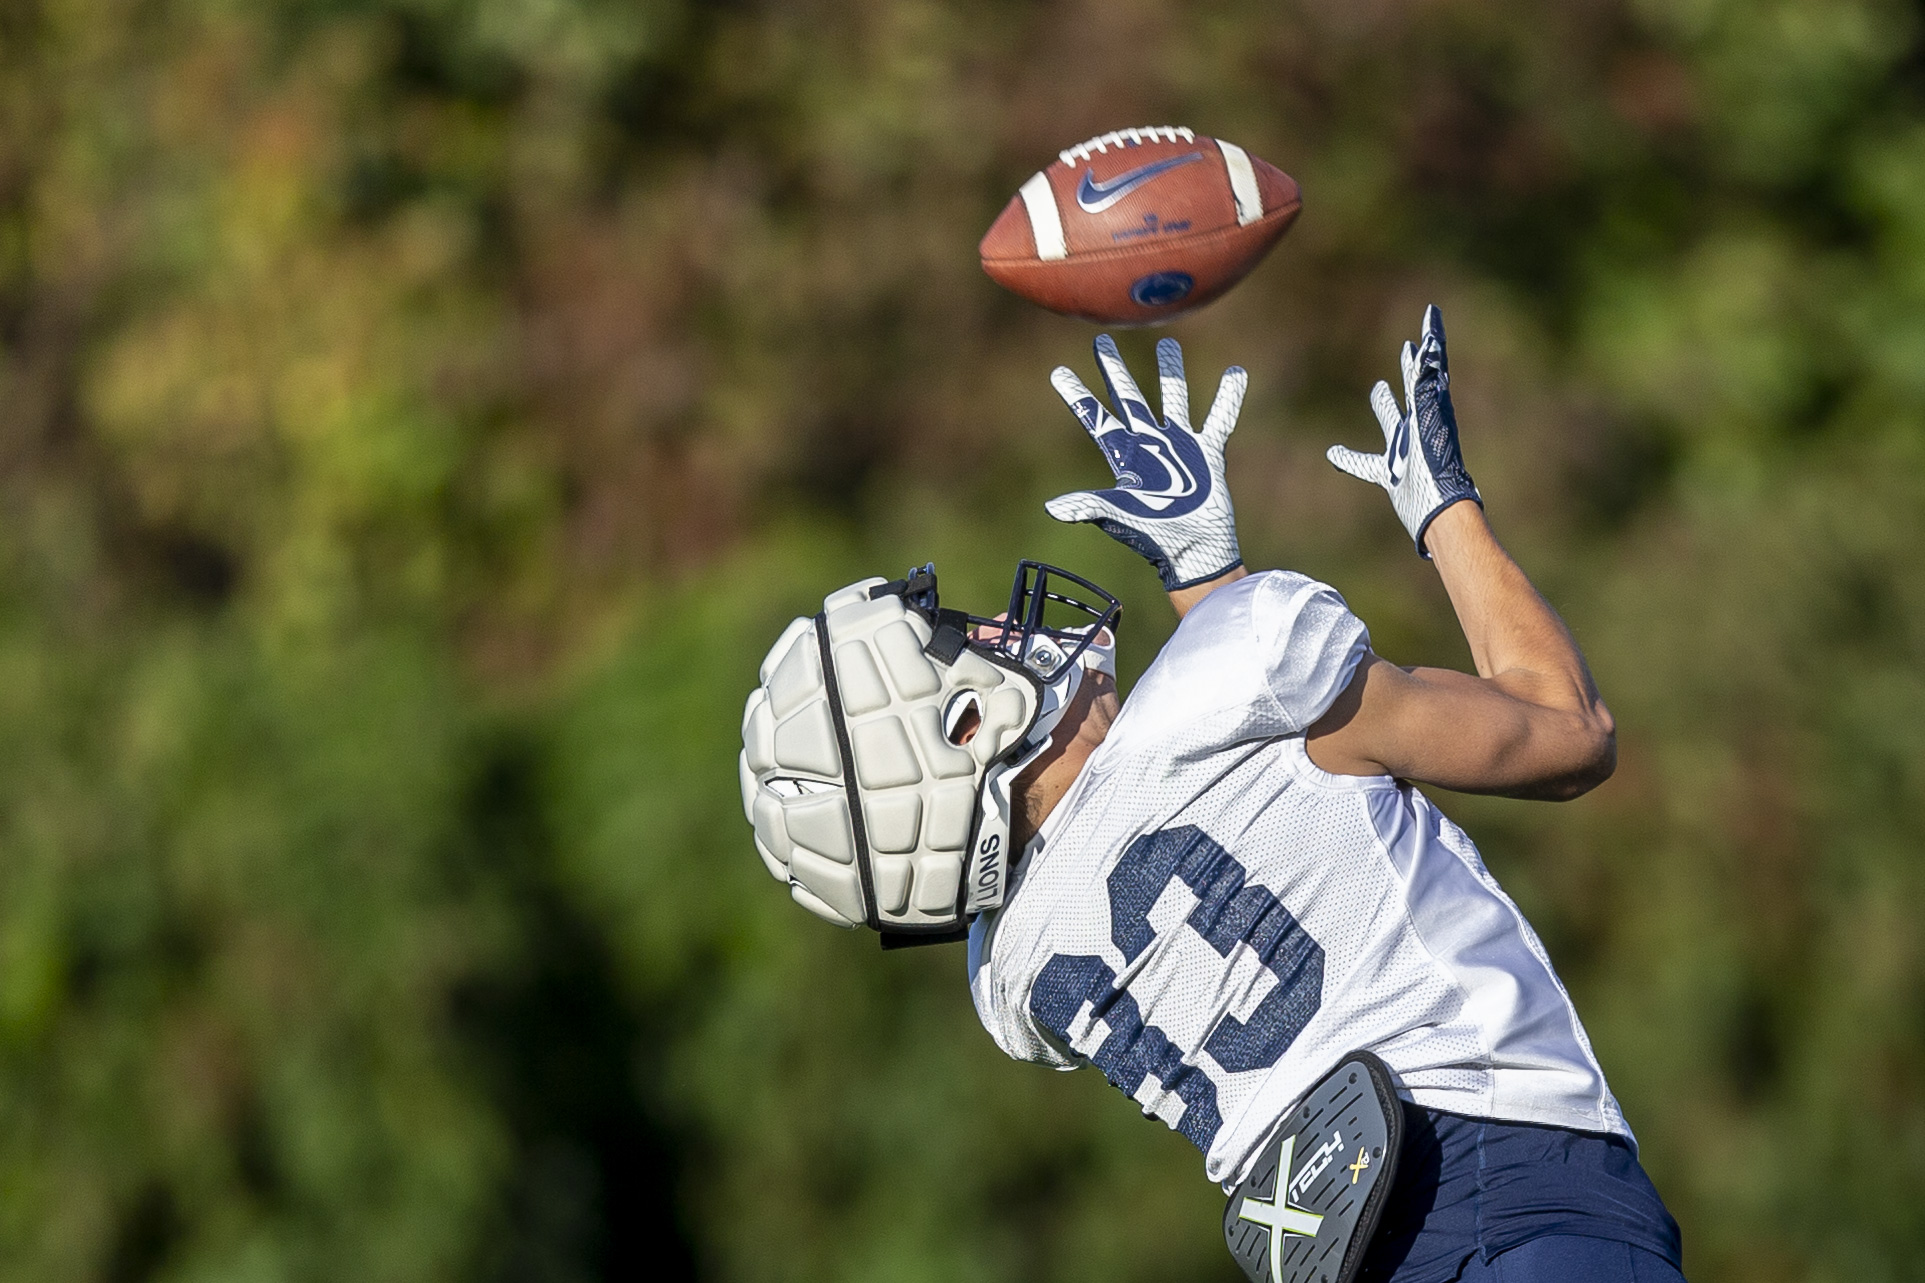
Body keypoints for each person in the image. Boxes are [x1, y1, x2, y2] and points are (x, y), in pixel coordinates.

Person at [737, 307, 1684, 1283]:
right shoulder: (1241, 672)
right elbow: (1567, 732)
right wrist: (1442, 505)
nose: (999, 628)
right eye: (968, 638)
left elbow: (1207, 804)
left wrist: (1207, 576)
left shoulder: (1013, 982)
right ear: (963, 727)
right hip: (1512, 1184)